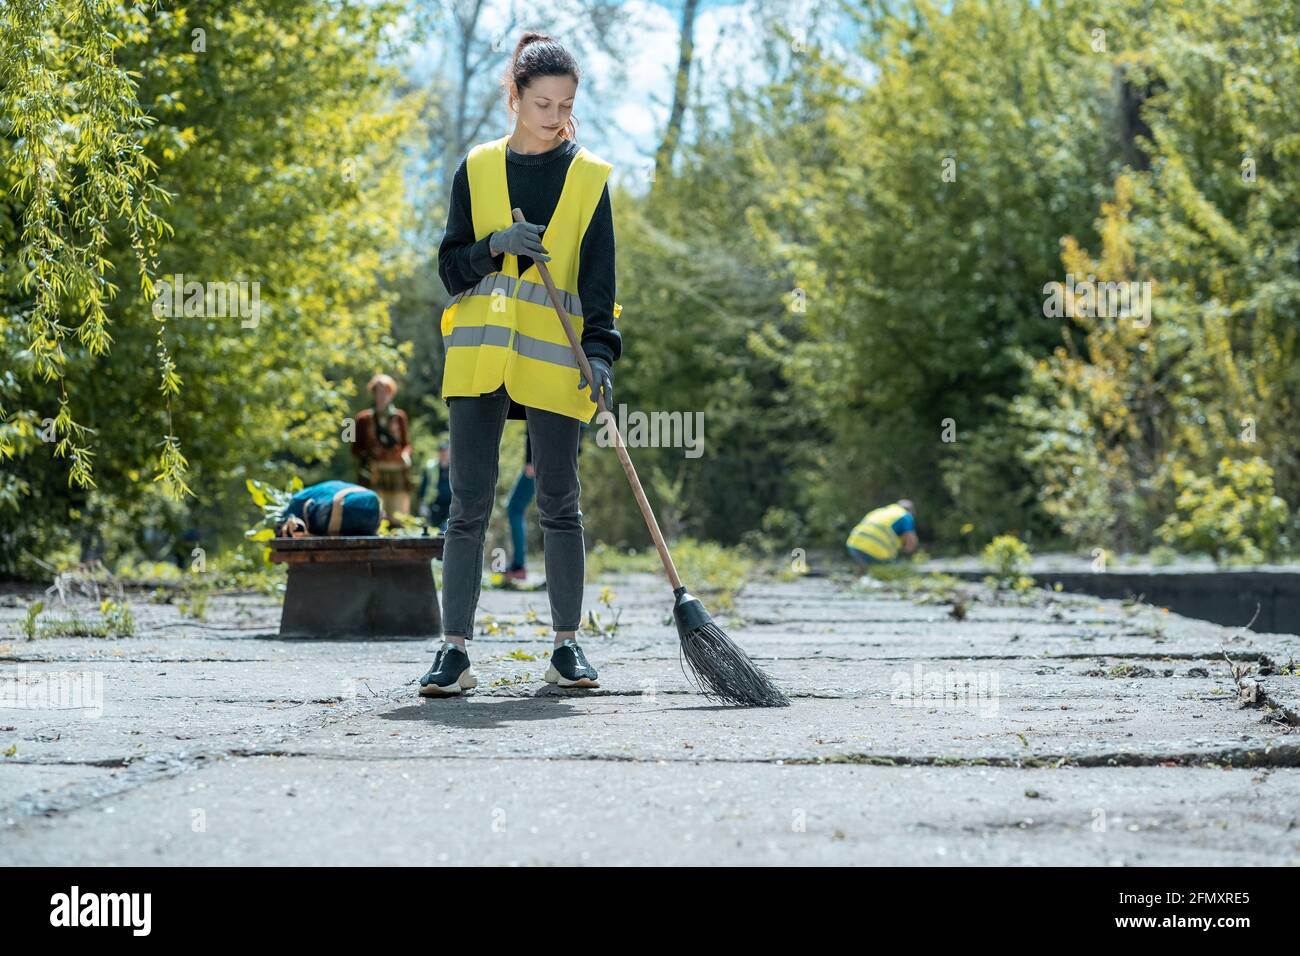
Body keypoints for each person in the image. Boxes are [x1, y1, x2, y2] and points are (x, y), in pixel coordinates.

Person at [419, 31, 622, 697]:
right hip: (479, 357)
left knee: (560, 503)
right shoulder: (475, 170)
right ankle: (454, 652)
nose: (556, 116)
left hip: (555, 361)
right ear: (513, 96)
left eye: (566, 104)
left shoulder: (589, 179)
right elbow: (451, 270)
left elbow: (599, 287)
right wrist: (493, 247)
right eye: (542, 102)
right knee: (468, 504)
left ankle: (567, 646)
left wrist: (600, 355)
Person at [351, 374, 414, 520]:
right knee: (375, 515)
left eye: (386, 391)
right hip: (374, 475)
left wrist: (404, 455)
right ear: (373, 394)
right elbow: (355, 449)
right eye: (378, 391)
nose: (382, 396)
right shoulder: (362, 419)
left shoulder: (400, 417)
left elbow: (407, 444)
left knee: (398, 517)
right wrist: (370, 457)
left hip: (397, 475)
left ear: (391, 393)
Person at [846, 499, 919, 565]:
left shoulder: (880, 511)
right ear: (911, 511)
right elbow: (911, 543)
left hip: (853, 545)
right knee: (894, 568)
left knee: (865, 569)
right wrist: (906, 555)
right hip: (876, 552)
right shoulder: (905, 516)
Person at [504, 432, 535, 580]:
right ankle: (563, 573)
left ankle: (519, 565)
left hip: (540, 455)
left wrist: (531, 459)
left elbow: (534, 417)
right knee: (560, 510)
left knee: (514, 508)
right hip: (563, 453)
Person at [417, 439, 453, 533]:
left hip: (451, 506)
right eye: (441, 452)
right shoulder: (431, 467)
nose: (443, 454)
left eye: (445, 452)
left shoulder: (455, 468)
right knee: (435, 531)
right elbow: (423, 487)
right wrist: (423, 504)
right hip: (435, 505)